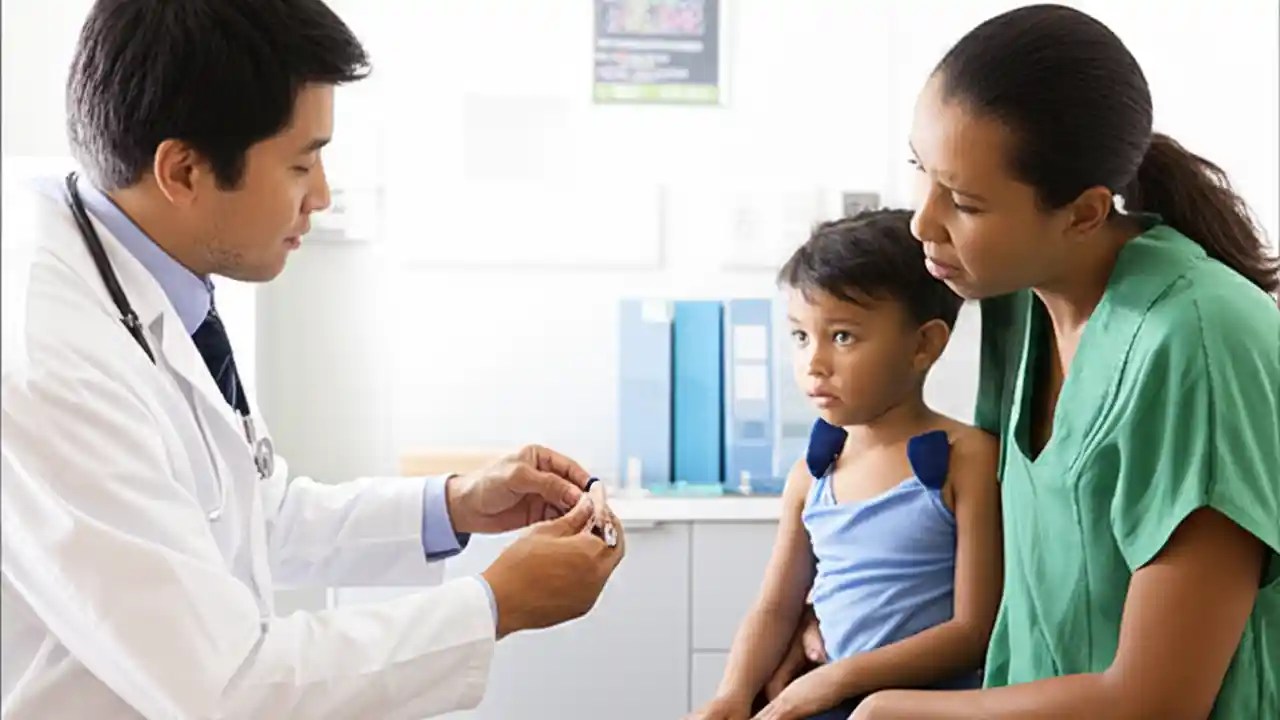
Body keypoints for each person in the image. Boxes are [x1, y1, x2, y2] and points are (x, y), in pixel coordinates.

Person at [0, 1, 623, 718]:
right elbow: (226, 687)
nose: (321, 197)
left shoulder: (152, 280)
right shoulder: (48, 361)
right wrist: (494, 604)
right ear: (183, 170)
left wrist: (455, 504)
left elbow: (254, 517)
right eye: (302, 163)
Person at [848, 5, 1280, 719]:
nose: (922, 221)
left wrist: (890, 708)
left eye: (962, 202)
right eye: (919, 170)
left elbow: (1157, 699)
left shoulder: (1199, 342)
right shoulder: (1020, 305)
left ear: (1083, 213)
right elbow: (1026, 587)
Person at [687, 210, 1003, 720]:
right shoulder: (811, 476)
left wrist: (837, 679)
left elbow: (973, 631)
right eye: (800, 337)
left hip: (918, 706)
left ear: (924, 344)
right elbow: (775, 607)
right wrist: (731, 695)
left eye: (842, 337)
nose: (813, 363)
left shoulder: (965, 460)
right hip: (824, 701)